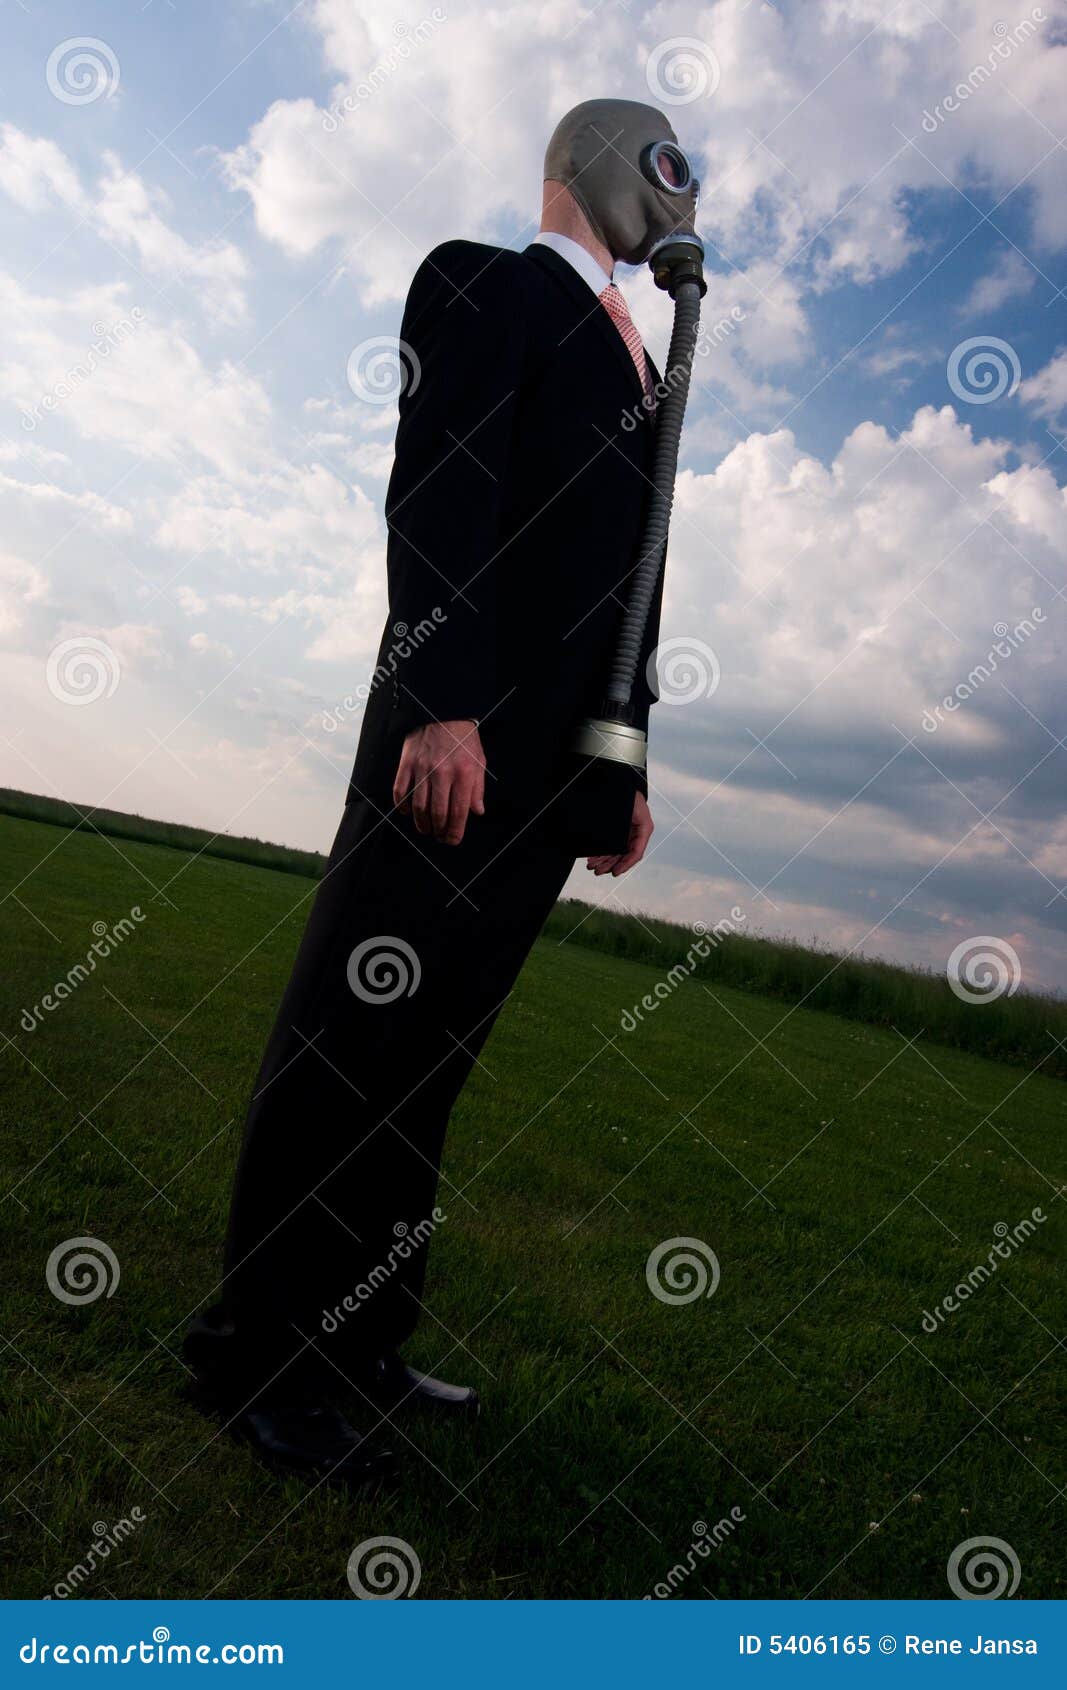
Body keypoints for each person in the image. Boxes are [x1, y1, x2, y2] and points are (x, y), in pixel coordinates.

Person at [183, 99, 701, 1485]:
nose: (679, 184)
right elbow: (443, 488)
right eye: (662, 157)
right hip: (454, 748)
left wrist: (626, 753)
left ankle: (358, 1343)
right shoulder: (488, 282)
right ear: (596, 166)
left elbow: (631, 581)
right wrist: (443, 701)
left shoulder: (646, 359)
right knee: (349, 1046)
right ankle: (256, 1357)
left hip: (553, 778)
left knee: (428, 1072)